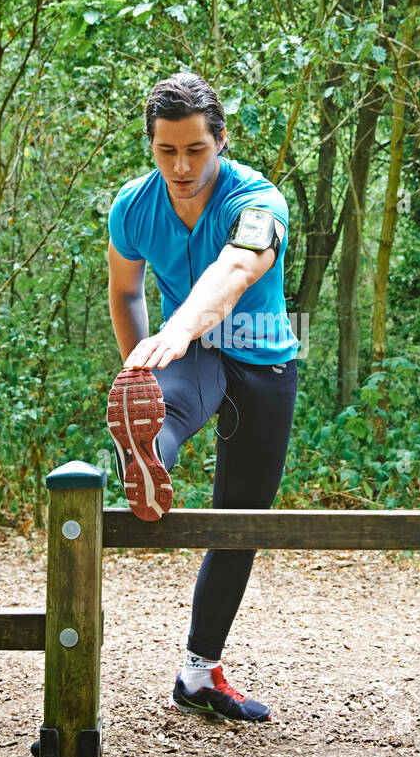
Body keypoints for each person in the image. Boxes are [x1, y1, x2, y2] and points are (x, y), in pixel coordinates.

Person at [105, 72, 299, 723]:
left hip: (263, 363)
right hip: (193, 360)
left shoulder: (257, 199)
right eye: (167, 151)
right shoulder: (134, 206)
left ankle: (198, 674)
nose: (182, 166)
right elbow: (125, 289)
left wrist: (180, 325)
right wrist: (139, 362)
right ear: (151, 146)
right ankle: (146, 451)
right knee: (168, 404)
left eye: (196, 149)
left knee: (239, 524)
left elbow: (239, 265)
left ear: (220, 140)